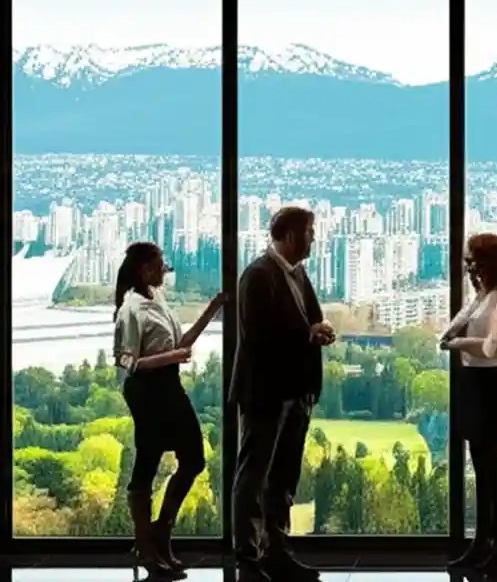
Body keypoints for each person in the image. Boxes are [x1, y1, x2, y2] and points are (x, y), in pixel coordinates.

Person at [231, 207, 335, 582]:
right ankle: (247, 557)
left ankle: (276, 550)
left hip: (296, 393)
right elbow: (260, 337)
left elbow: (306, 319)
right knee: (254, 474)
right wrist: (309, 334)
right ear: (290, 235)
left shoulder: (297, 273)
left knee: (283, 479)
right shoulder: (258, 276)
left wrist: (318, 330)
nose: (313, 238)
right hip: (266, 394)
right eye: (309, 231)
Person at [113, 241, 224, 582]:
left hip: (169, 385)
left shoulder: (157, 300)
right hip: (146, 390)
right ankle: (148, 544)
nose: (165, 270)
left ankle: (160, 533)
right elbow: (126, 361)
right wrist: (170, 358)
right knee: (147, 461)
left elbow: (181, 344)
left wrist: (211, 311)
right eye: (161, 264)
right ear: (144, 269)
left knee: (193, 458)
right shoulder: (130, 308)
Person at [441, 233, 497, 579]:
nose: (470, 267)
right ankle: (483, 543)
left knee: (493, 470)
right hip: (474, 383)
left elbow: (492, 348)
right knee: (483, 469)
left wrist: (455, 343)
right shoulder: (484, 297)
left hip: (493, 384)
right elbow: (450, 332)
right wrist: (456, 335)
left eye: (474, 261)